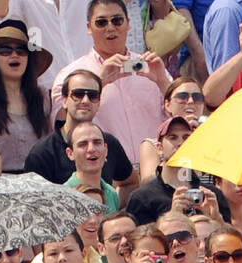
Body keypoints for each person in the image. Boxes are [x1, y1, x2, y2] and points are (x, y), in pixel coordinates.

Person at [51, 0, 169, 167]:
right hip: (103, 172)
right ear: (88, 28)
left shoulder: (151, 67)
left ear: (128, 23)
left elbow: (180, 118)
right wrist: (98, 83)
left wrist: (163, 82)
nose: (110, 27)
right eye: (101, 22)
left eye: (117, 20)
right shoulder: (71, 75)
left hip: (154, 171)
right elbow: (61, 125)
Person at [22, 68, 135, 192]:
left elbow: (130, 183)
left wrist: (112, 205)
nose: (85, 101)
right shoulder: (42, 153)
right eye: (78, 94)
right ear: (64, 101)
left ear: (98, 103)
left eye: (93, 96)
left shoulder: (109, 142)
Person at [0, 19, 51, 174]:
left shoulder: (42, 97)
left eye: (21, 51)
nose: (14, 55)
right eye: (5, 51)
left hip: (39, 183)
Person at [123, 116, 230, 226]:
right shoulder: (142, 198)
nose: (180, 143)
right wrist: (172, 217)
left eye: (186, 138)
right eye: (173, 137)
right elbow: (140, 241)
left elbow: (231, 240)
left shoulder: (212, 195)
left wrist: (216, 218)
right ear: (159, 148)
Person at [136, 76, 206, 186]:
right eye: (182, 97)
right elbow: (148, 184)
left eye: (197, 97)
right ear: (167, 105)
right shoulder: (153, 145)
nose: (191, 101)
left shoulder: (211, 143)